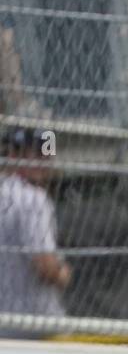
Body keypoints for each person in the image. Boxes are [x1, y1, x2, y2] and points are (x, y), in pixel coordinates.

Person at [0, 127, 71, 328]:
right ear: (14, 155)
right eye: (39, 154)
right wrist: (63, 273)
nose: (46, 162)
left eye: (48, 154)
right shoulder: (33, 200)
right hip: (36, 323)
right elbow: (45, 266)